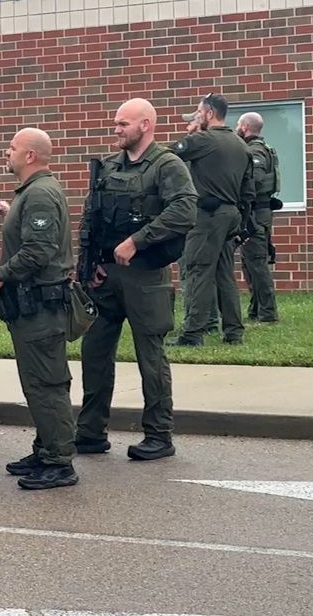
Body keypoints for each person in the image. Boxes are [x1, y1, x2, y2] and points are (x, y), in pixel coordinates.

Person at [76, 98, 197, 461]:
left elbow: (184, 209)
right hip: (106, 276)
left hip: (146, 275)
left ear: (146, 125)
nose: (117, 130)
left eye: (123, 124)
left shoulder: (167, 165)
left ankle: (159, 434)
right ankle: (90, 432)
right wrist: (90, 264)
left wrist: (137, 241)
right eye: (116, 123)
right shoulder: (108, 167)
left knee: (151, 356)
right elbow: (91, 217)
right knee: (94, 352)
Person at [0, 128, 78, 490]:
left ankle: (59, 461)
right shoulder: (32, 193)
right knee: (37, 382)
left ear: (29, 156)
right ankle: (45, 449)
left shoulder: (39, 194)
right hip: (33, 307)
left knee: (47, 383)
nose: (6, 153)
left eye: (12, 148)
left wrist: (0, 277)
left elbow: (38, 250)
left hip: (42, 305)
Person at [171, 93, 254, 346]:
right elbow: (248, 190)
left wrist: (192, 134)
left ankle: (192, 333)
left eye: (198, 113)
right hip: (231, 215)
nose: (197, 117)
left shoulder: (204, 140)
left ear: (209, 113)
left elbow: (168, 156)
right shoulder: (241, 145)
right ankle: (233, 332)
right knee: (224, 274)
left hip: (208, 216)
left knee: (198, 271)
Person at [237, 112, 280, 323]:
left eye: (238, 125)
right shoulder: (264, 149)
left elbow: (253, 183)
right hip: (257, 213)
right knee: (249, 262)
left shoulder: (255, 153)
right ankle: (255, 310)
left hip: (256, 213)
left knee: (256, 262)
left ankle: (268, 313)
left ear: (245, 127)